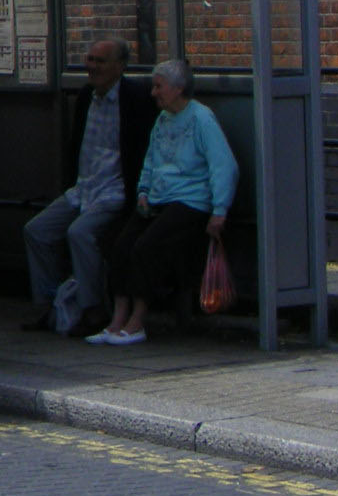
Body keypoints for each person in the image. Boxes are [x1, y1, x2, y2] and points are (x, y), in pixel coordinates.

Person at [91, 58, 237, 345]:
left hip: (190, 201)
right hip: (157, 197)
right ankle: (117, 319)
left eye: (159, 86)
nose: (153, 93)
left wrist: (220, 209)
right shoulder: (162, 120)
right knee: (119, 245)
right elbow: (151, 160)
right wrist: (143, 191)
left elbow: (224, 165)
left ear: (178, 88)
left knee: (146, 248)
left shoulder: (201, 119)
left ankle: (137, 321)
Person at [21, 39, 156, 335]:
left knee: (80, 233)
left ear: (120, 66)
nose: (92, 67)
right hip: (83, 188)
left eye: (100, 61)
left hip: (114, 191)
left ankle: (93, 309)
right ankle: (49, 304)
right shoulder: (86, 97)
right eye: (90, 59)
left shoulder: (134, 98)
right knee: (37, 230)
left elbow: (143, 149)